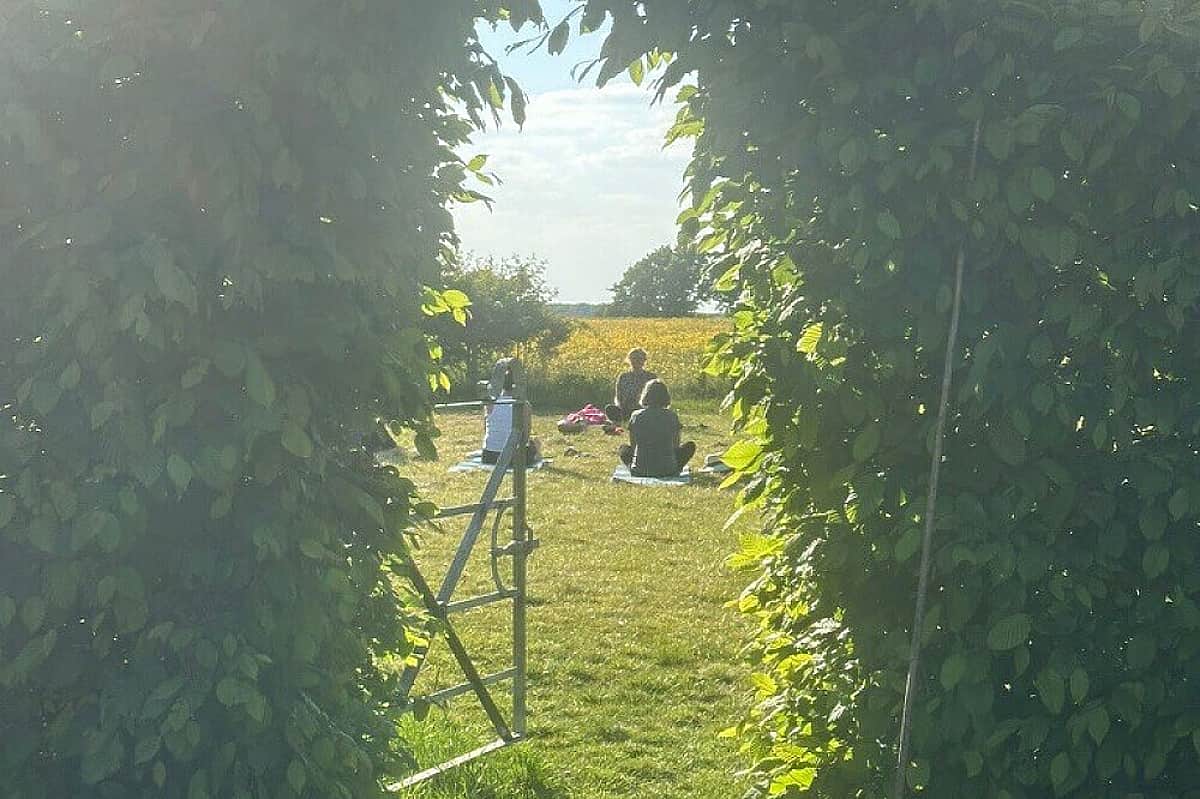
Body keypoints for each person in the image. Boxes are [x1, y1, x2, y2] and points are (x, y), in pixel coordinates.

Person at [619, 379, 696, 478]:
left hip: (640, 470)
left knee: (623, 449)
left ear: (645, 396)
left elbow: (634, 445)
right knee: (690, 446)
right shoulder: (672, 416)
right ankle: (675, 469)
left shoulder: (636, 416)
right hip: (668, 470)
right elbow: (675, 446)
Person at [482, 364, 541, 465]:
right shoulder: (524, 405)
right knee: (536, 442)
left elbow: (486, 429)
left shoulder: (490, 404)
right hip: (514, 457)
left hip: (489, 456)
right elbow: (525, 434)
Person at [605, 348, 657, 424]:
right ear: (629, 360)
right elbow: (618, 395)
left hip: (644, 409)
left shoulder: (651, 377)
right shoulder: (623, 377)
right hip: (626, 409)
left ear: (644, 360)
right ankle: (623, 420)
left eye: (639, 358)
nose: (636, 361)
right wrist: (620, 405)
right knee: (609, 408)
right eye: (634, 358)